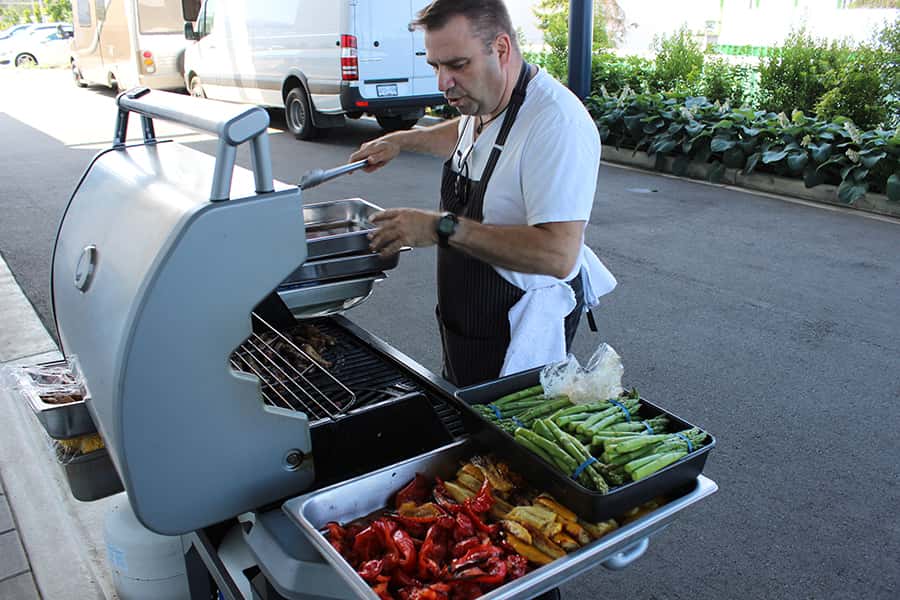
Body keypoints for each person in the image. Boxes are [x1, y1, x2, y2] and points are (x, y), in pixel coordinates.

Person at [350, 0, 616, 388]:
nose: (442, 82)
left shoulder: (555, 124)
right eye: (435, 66)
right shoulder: (485, 101)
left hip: (518, 335)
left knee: (504, 441)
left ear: (502, 49)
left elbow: (558, 254)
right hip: (468, 322)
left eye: (457, 65)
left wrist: (441, 228)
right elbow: (462, 132)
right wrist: (401, 140)